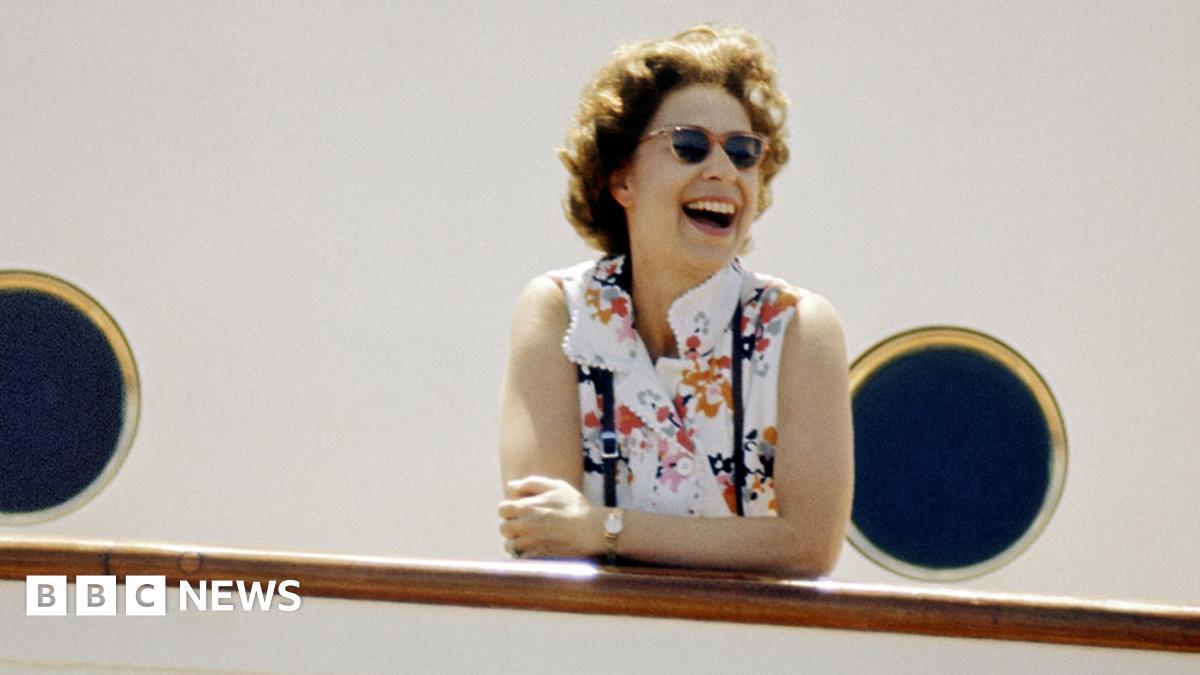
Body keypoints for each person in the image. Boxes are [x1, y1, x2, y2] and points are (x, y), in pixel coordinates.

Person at [497, 24, 853, 576]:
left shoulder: (801, 327)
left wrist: (604, 527)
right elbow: (542, 533)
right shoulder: (558, 310)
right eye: (689, 145)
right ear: (621, 180)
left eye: (743, 152)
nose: (722, 170)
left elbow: (808, 546)